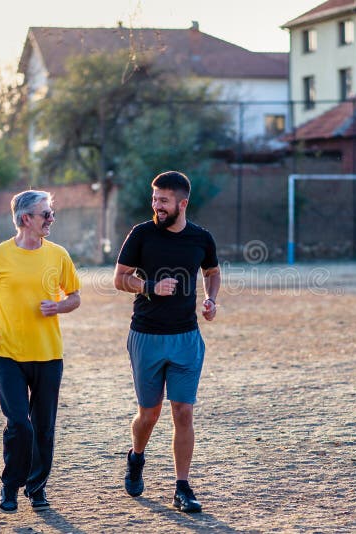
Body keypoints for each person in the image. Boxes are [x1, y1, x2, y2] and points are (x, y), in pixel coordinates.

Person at [113, 170, 220, 513]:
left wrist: (211, 299)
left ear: (182, 204)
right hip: (146, 336)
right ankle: (136, 456)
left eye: (163, 200)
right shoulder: (142, 234)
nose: (156, 206)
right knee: (149, 414)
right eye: (154, 199)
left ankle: (182, 488)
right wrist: (149, 287)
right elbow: (120, 278)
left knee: (183, 412)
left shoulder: (201, 238)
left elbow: (212, 272)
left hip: (186, 337)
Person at [0, 190, 81, 514]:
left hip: (48, 354)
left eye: (51, 213)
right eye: (45, 214)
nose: (51, 219)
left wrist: (58, 306)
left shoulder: (58, 255)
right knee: (20, 423)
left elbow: (74, 297)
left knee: (43, 427)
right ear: (25, 219)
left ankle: (37, 488)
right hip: (7, 352)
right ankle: (10, 486)